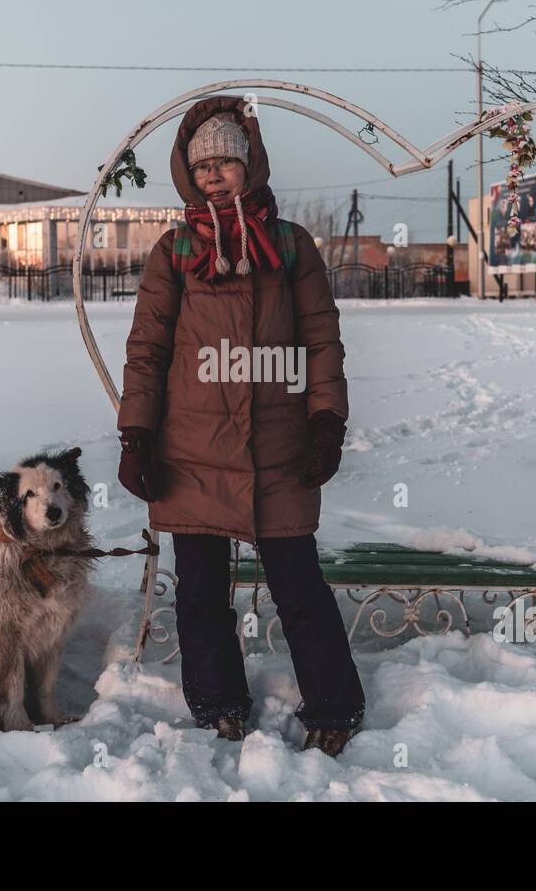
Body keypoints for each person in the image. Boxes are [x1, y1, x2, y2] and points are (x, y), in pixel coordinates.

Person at [116, 97, 365, 757]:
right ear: (187, 175)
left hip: (278, 449)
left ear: (250, 163)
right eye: (203, 166)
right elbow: (147, 350)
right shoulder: (175, 251)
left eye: (227, 160)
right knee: (200, 594)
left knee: (299, 588)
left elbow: (320, 341)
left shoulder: (290, 246)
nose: (215, 175)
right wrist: (136, 434)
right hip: (189, 450)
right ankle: (219, 705)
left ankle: (335, 707)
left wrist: (326, 421)